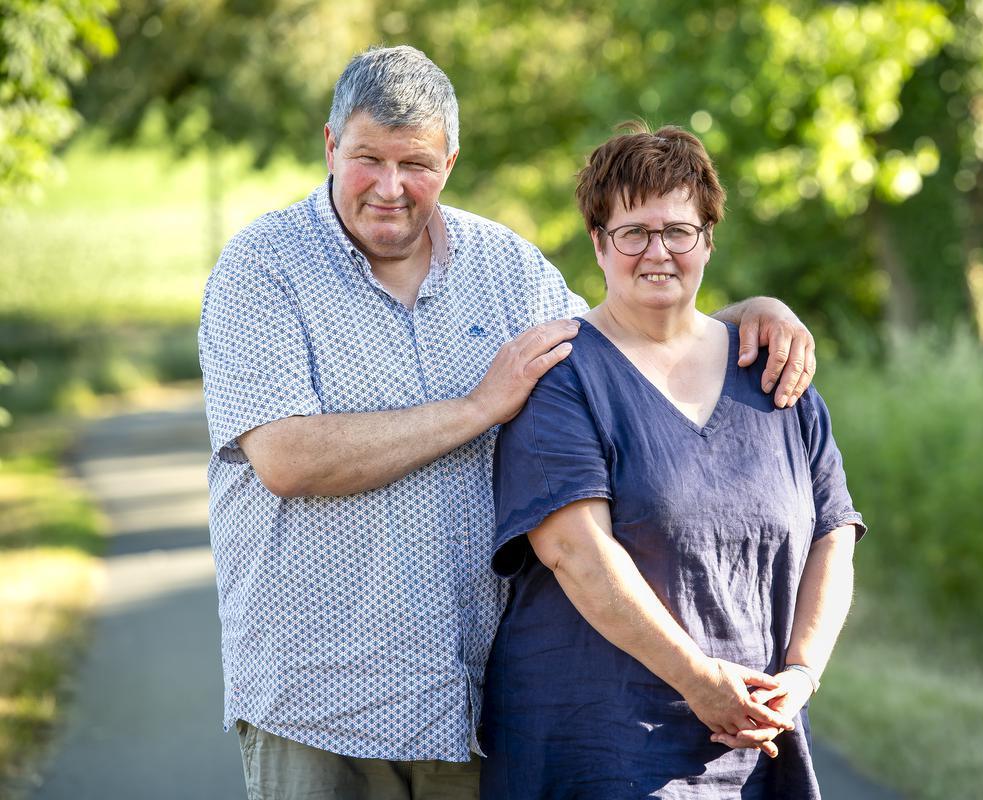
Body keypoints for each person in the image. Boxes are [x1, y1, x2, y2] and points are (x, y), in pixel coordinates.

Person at [199, 46, 819, 800]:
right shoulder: (261, 269)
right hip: (322, 706)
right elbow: (287, 457)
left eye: (416, 164)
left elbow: (624, 345)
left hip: (473, 710)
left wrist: (743, 318)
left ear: (450, 161)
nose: (391, 188)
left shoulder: (509, 270)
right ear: (331, 146)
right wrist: (476, 409)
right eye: (368, 159)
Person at [481, 123, 865, 799]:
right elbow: (577, 552)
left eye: (678, 231)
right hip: (599, 750)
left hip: (750, 747)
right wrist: (695, 678)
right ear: (599, 245)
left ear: (708, 241)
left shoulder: (776, 376)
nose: (657, 251)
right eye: (633, 232)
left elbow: (832, 536)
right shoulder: (563, 379)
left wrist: (801, 676)